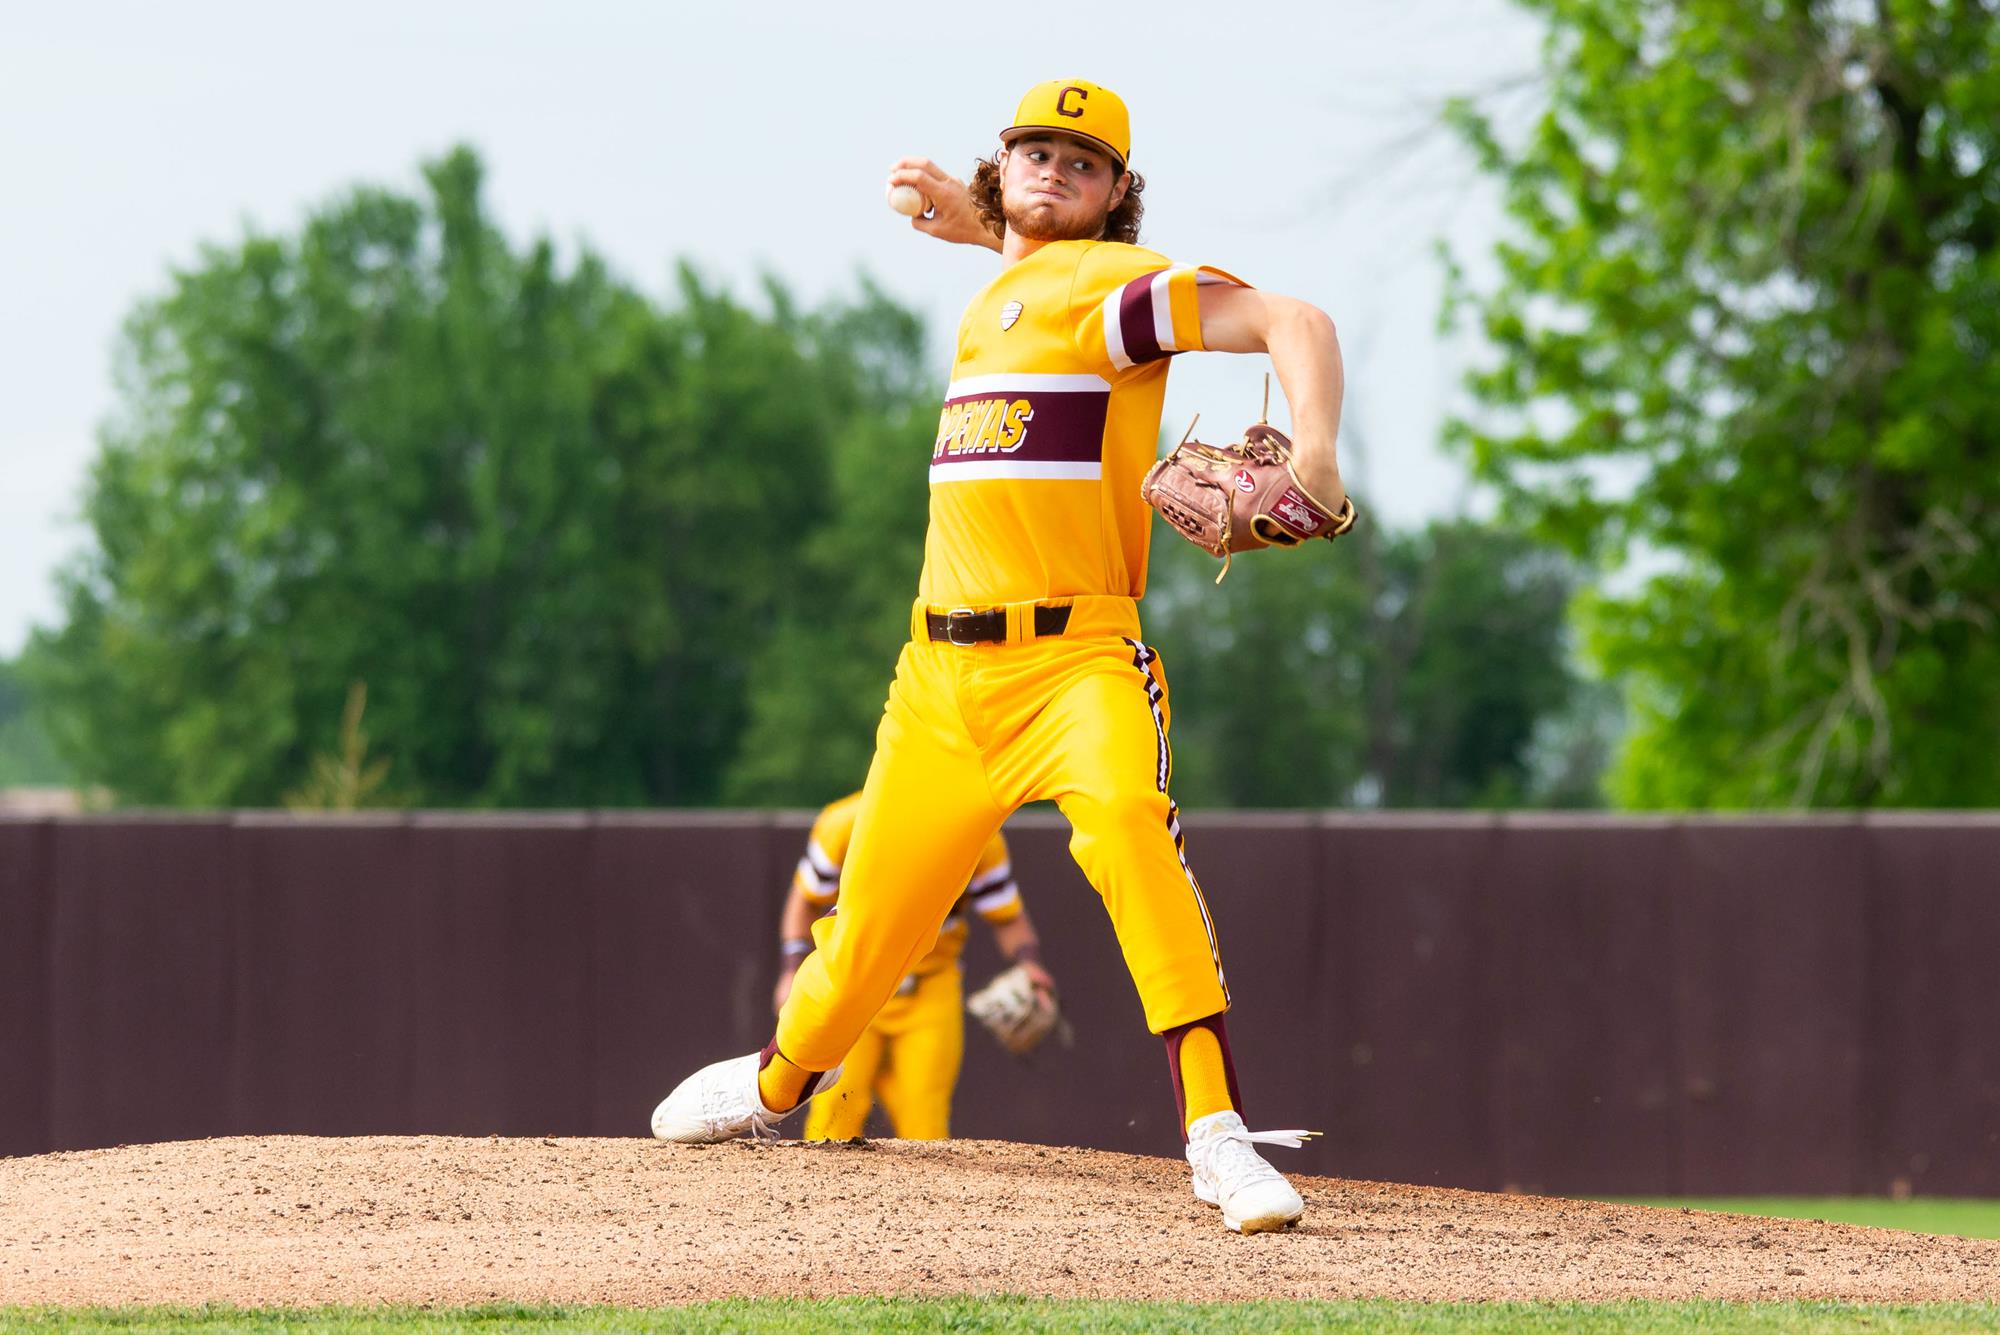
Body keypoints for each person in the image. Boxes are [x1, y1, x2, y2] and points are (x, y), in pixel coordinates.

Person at [653, 78, 1349, 1235]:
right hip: (936, 681)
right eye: (1036, 150)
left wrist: (1314, 457)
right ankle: (778, 1081)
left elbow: (1297, 322)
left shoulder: (1117, 291)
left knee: (1127, 824)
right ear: (1001, 166)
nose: (1056, 170)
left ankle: (1216, 1133)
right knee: (868, 936)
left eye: (1085, 163)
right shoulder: (1001, 300)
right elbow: (1033, 278)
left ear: (1118, 193)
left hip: (1075, 661)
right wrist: (983, 233)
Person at [775, 791, 1055, 1141]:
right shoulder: (845, 824)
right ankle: (819, 1198)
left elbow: (1006, 914)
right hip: (855, 980)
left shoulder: (976, 831)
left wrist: (1030, 964)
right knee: (832, 1113)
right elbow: (804, 901)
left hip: (929, 986)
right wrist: (791, 968)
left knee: (925, 1123)